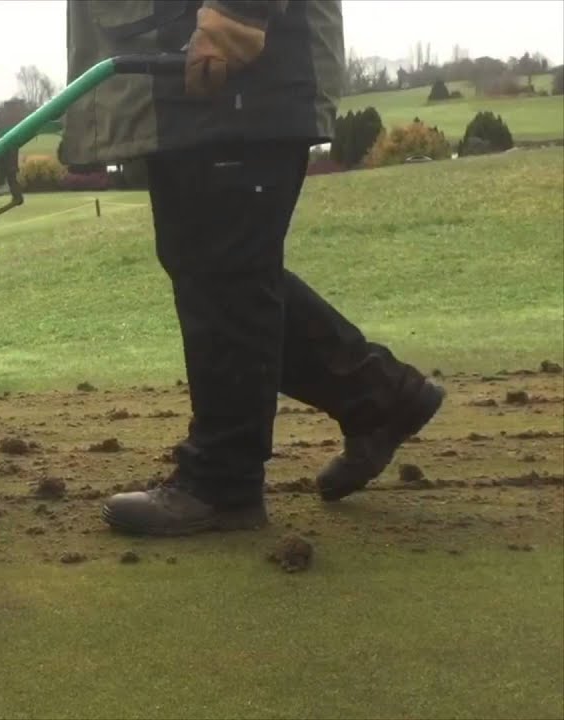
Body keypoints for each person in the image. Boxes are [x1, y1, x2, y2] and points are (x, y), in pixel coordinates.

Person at [57, 0, 445, 536]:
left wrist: (236, 19)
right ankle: (376, 397)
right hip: (188, 71)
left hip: (232, 65)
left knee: (225, 268)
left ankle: (224, 481)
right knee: (217, 268)